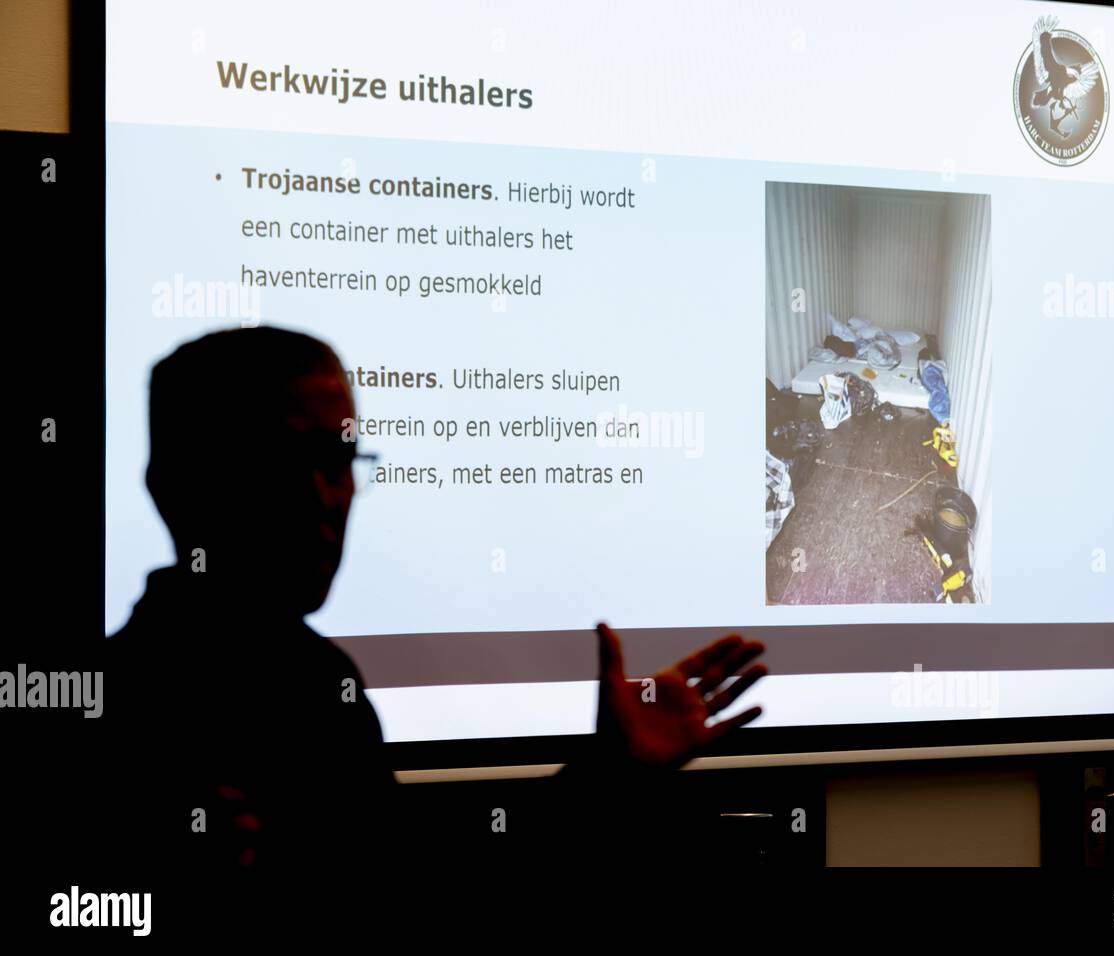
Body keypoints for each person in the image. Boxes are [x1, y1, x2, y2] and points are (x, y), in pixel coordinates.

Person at [105, 327, 766, 911]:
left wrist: (611, 772)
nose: (321, 499)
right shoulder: (118, 708)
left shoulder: (315, 678)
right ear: (175, 483)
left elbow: (414, 885)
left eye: (339, 460)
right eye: (279, 460)